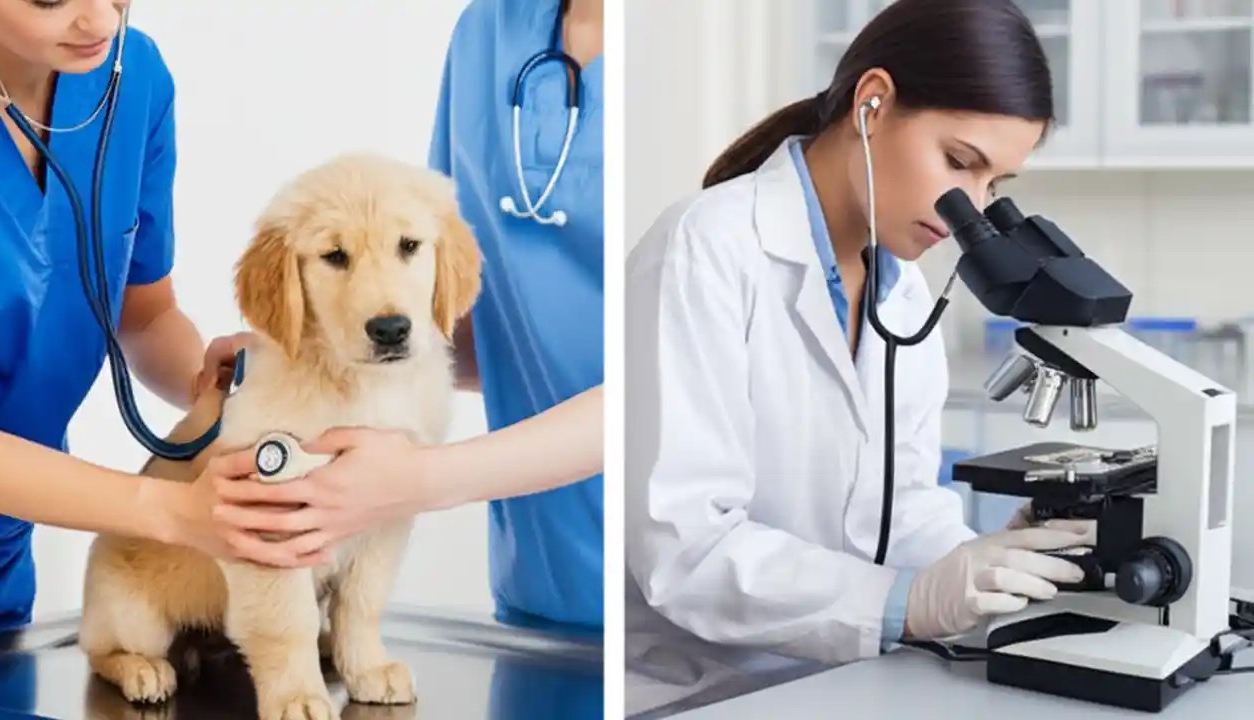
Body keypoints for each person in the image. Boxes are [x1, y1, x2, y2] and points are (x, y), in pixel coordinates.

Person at [622, 0, 1093, 714]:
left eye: (993, 186)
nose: (967, 204)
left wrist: (987, 565)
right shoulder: (707, 247)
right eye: (959, 162)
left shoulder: (902, 292)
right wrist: (909, 600)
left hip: (845, 684)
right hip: (700, 693)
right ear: (872, 103)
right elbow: (686, 549)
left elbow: (898, 513)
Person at [207, 0, 606, 632]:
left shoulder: (678, 53)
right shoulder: (488, 30)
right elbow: (456, 320)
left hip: (640, 554)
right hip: (539, 576)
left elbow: (666, 380)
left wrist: (422, 476)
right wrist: (302, 346)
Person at [0, 0, 320, 637]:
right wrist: (174, 510)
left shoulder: (133, 78)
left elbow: (144, 312)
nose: (102, 21)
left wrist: (221, 390)